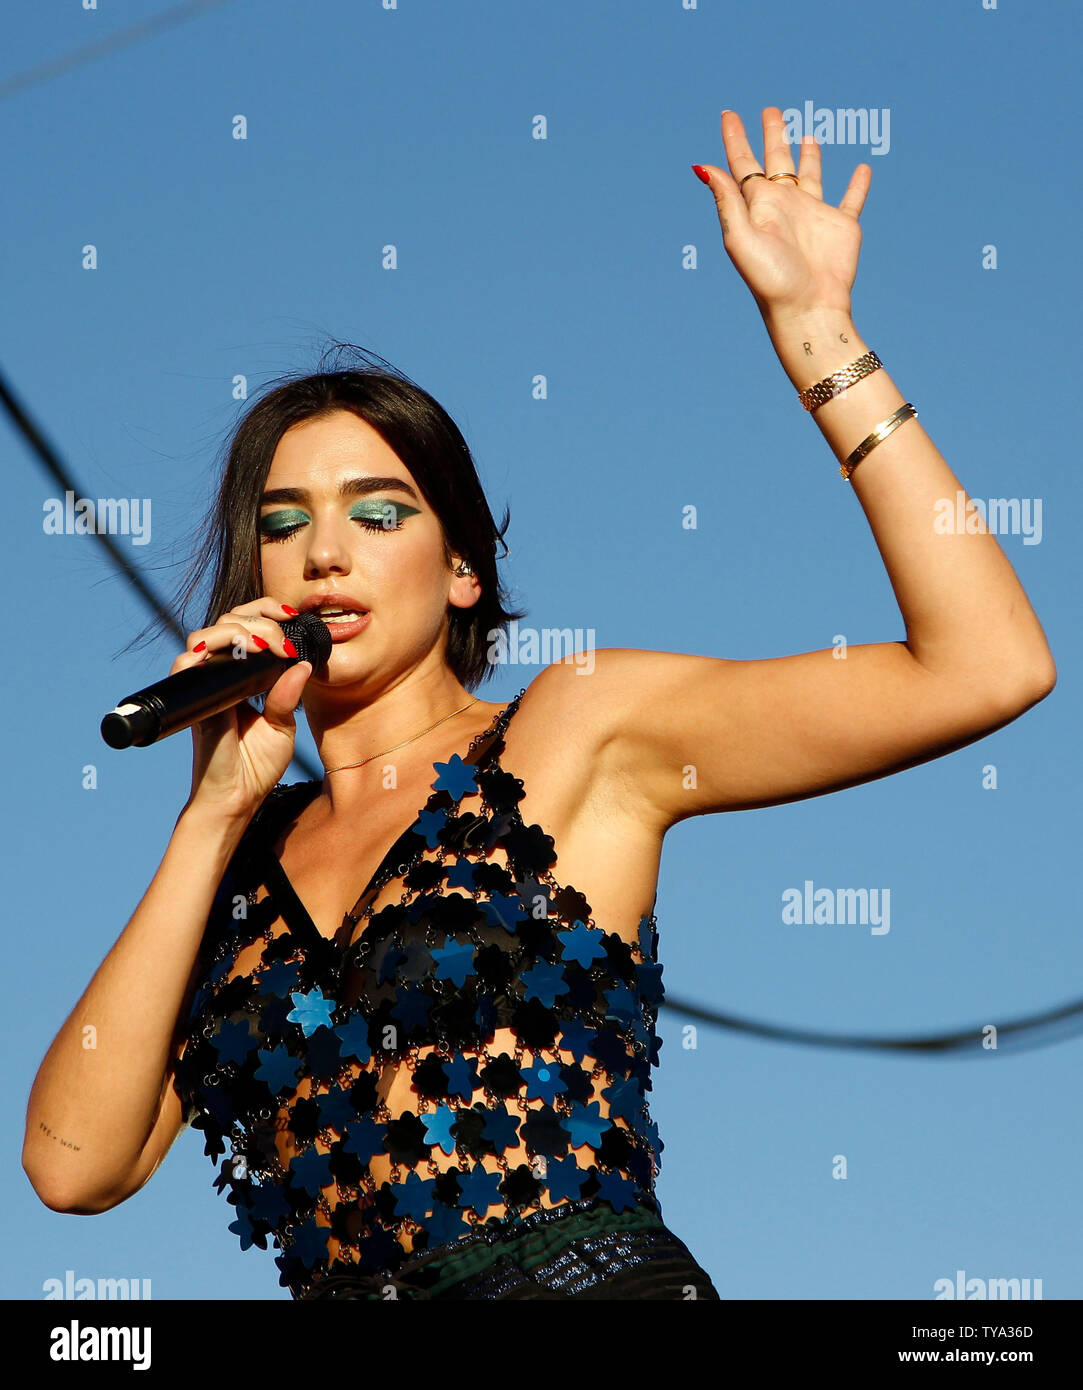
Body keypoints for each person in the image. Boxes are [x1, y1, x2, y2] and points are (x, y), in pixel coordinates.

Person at [22, 107, 1055, 1300]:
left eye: (378, 511)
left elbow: (987, 665)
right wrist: (207, 816)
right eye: (285, 522)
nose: (326, 554)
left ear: (462, 566)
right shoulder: (241, 862)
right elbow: (72, 1167)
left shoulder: (576, 726)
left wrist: (821, 335)